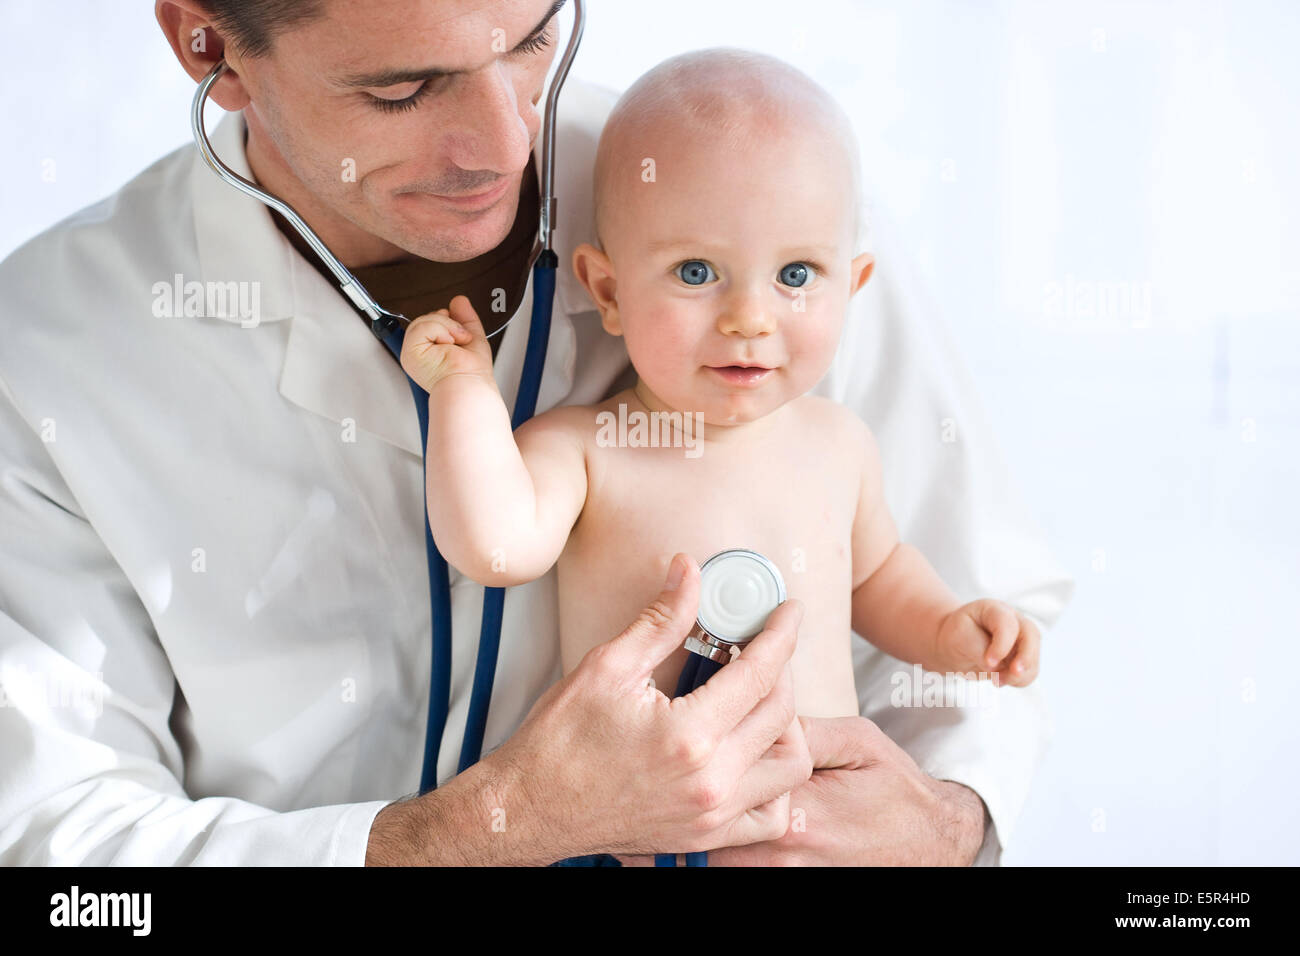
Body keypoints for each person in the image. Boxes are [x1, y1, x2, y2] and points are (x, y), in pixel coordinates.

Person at [0, 0, 1073, 865]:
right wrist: (469, 838)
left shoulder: (742, 182)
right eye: (402, 89)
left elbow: (968, 611)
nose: (507, 142)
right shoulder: (49, 352)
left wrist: (946, 823)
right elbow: (61, 850)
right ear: (207, 45)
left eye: (532, 42)